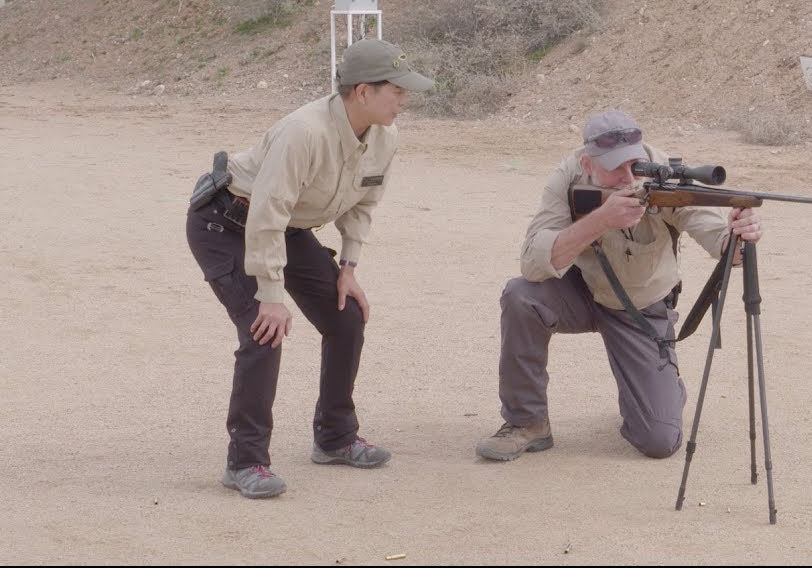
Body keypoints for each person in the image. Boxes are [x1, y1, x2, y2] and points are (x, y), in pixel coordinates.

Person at [186, 38, 434, 499]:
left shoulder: (386, 136)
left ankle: (336, 437)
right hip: (227, 222)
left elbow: (364, 201)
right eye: (396, 90)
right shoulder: (303, 132)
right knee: (265, 330)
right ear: (363, 91)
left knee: (346, 316)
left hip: (286, 226)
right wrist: (272, 295)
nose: (404, 99)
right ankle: (246, 462)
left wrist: (349, 266)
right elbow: (267, 212)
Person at [476, 110, 764, 461]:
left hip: (640, 309)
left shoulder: (665, 177)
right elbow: (533, 263)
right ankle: (527, 423)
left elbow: (719, 242)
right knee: (521, 295)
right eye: (615, 168)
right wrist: (600, 221)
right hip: (581, 293)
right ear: (588, 162)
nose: (629, 178)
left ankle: (665, 391)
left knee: (658, 441)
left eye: (635, 165)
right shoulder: (568, 177)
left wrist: (737, 237)